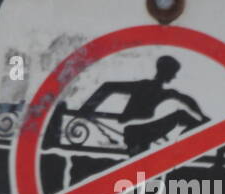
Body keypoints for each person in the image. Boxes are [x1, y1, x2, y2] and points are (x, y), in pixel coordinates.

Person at [78, 56, 208, 154]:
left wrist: (87, 108)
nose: (174, 76)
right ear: (166, 72)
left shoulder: (160, 90)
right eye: (173, 72)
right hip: (137, 132)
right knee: (182, 115)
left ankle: (179, 146)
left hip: (140, 132)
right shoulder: (147, 86)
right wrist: (87, 109)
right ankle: (178, 147)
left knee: (183, 115)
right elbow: (108, 86)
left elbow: (188, 100)